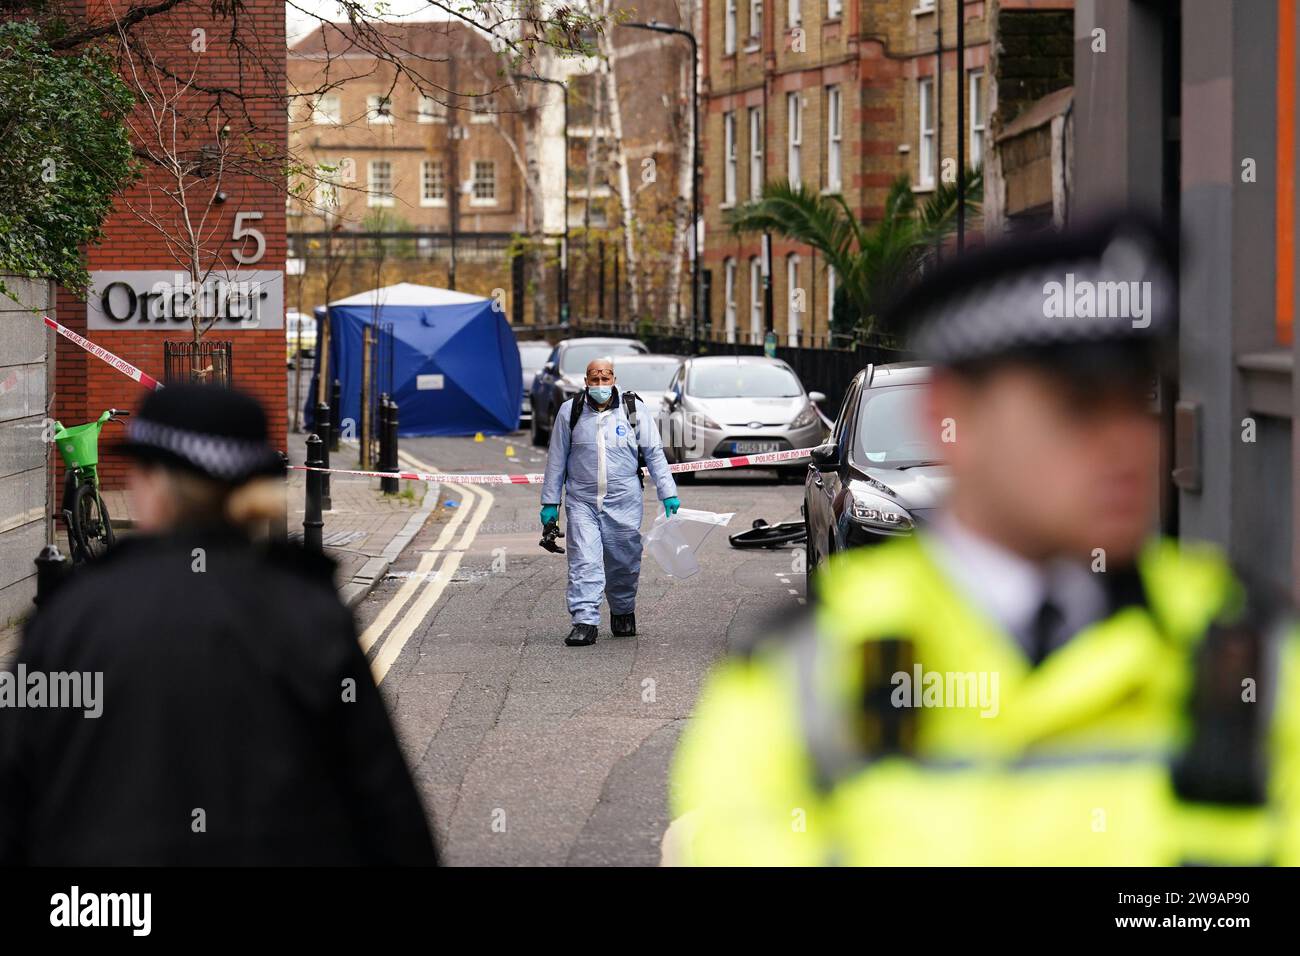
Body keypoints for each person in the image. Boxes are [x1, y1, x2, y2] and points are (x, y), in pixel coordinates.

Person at [669, 212, 1300, 865]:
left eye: (1139, 398)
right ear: (951, 417)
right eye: (1079, 403)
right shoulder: (805, 674)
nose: (1128, 441)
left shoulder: (1248, 653)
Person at [0, 385, 437, 865]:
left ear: (151, 482)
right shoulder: (307, 614)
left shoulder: (71, 617)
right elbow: (388, 812)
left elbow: (15, 796)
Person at [541, 356, 680, 647]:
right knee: (584, 560)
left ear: (614, 380)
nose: (600, 385)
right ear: (586, 382)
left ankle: (623, 610)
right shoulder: (571, 412)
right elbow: (556, 460)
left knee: (623, 562)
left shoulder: (634, 410)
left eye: (606, 379)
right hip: (582, 501)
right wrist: (550, 503)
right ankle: (584, 621)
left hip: (624, 500)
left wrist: (668, 492)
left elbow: (654, 454)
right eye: (595, 379)